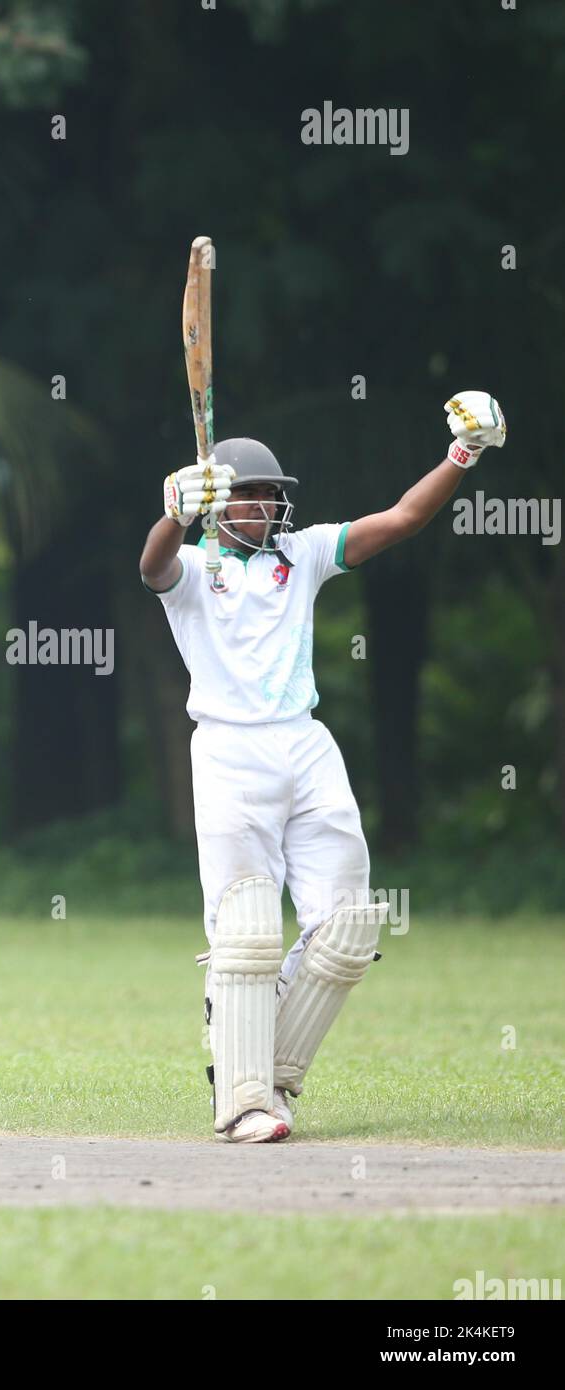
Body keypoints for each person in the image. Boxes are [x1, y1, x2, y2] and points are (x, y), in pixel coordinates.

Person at [139, 392, 506, 1143]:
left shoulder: (300, 553)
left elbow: (400, 520)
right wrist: (174, 510)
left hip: (304, 746)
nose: (270, 507)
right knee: (245, 930)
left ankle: (262, 1068)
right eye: (253, 496)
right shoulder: (194, 569)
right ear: (219, 505)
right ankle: (242, 1103)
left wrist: (462, 455)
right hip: (228, 750)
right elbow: (149, 566)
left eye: (275, 496)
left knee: (346, 929)